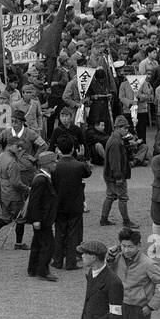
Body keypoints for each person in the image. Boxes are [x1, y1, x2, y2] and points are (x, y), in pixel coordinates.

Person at [108, 228, 160, 319]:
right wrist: (110, 257)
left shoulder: (149, 264)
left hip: (138, 310)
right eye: (123, 246)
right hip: (119, 307)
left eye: (130, 246)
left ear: (139, 245)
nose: (126, 250)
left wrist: (150, 306)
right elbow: (108, 274)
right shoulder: (117, 258)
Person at [49, 138, 92, 272]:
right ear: (73, 149)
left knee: (59, 231)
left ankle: (57, 260)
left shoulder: (55, 166)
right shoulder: (79, 165)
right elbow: (88, 172)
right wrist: (81, 156)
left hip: (59, 204)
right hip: (75, 204)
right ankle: (71, 261)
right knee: (73, 233)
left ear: (58, 150)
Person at [77, 240, 125, 319]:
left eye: (84, 253)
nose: (81, 256)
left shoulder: (113, 282)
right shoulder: (91, 272)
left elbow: (116, 312)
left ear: (93, 257)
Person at [0, 136, 31, 251]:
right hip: (13, 194)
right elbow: (16, 183)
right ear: (10, 145)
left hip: (2, 192)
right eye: (18, 147)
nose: (20, 149)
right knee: (20, 218)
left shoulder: (1, 156)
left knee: (5, 218)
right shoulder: (13, 162)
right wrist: (28, 189)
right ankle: (18, 243)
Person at [25, 150, 60, 281]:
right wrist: (36, 219)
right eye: (53, 162)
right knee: (48, 244)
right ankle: (43, 271)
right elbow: (35, 202)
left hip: (42, 218)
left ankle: (33, 268)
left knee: (37, 243)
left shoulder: (42, 178)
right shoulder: (41, 180)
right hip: (42, 219)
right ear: (47, 164)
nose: (55, 164)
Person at [98, 117, 133, 227]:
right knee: (122, 197)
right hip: (115, 176)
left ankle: (104, 220)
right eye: (124, 128)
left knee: (110, 196)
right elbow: (115, 162)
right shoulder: (115, 142)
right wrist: (118, 177)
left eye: (127, 128)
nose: (126, 130)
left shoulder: (115, 139)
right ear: (117, 128)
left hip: (109, 175)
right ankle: (126, 221)